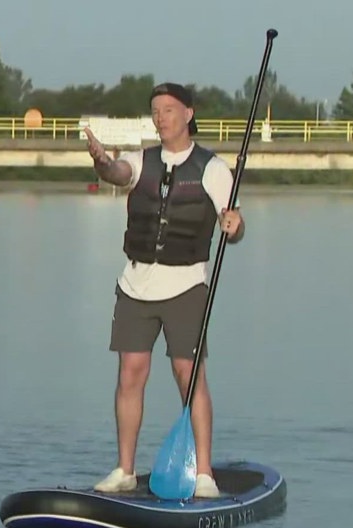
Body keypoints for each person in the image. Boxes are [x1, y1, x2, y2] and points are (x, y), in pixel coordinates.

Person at [83, 82, 244, 499]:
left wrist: (234, 226)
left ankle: (204, 473)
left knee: (188, 375)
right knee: (130, 374)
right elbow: (118, 173)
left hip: (185, 286)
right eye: (155, 110)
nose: (161, 117)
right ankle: (124, 469)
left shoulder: (212, 168)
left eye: (169, 109)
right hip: (135, 286)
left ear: (188, 114)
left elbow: (235, 221)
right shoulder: (141, 160)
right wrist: (102, 162)